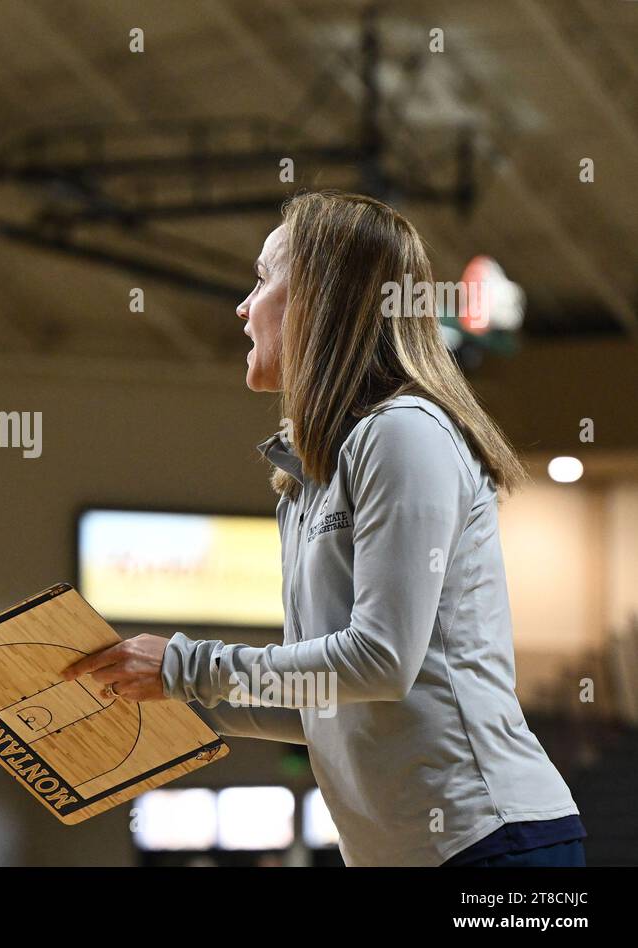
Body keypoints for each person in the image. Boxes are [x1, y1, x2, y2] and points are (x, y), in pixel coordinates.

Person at [62, 190, 585, 867]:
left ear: (318, 297)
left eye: (261, 278)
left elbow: (380, 661)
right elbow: (324, 704)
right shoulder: (305, 483)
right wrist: (167, 695)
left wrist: (189, 667)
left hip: (493, 841)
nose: (243, 308)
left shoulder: (405, 431)